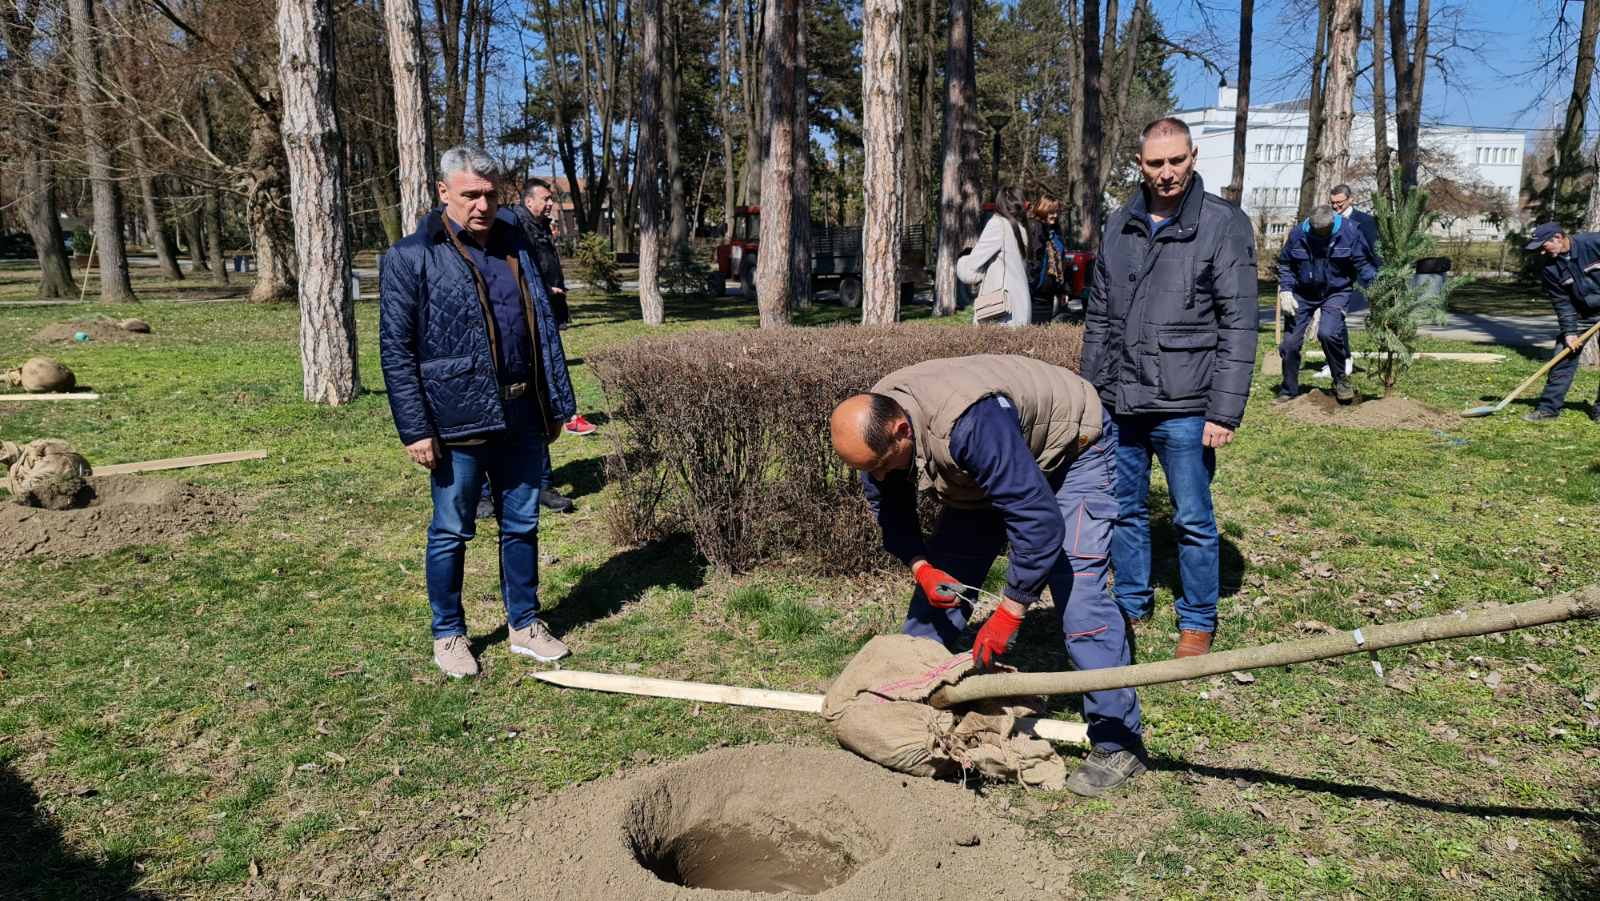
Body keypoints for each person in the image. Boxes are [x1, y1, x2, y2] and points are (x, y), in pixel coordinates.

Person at [830, 354, 1145, 797]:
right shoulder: (877, 434)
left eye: (881, 464)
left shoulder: (970, 424)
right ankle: (915, 702)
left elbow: (1037, 522)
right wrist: (923, 569)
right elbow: (891, 510)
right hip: (982, 466)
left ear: (901, 431)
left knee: (1080, 599)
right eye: (869, 469)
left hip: (1072, 449)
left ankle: (1119, 740)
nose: (878, 475)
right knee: (940, 591)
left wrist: (1010, 612)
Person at [379, 146, 578, 678]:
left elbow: (542, 331)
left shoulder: (517, 248)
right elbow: (396, 350)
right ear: (443, 192)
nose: (483, 205)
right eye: (470, 195)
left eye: (490, 194)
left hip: (522, 412)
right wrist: (415, 428)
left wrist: (553, 403)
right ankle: (448, 633)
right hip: (455, 421)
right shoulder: (411, 256)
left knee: (523, 523)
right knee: (451, 530)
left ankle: (525, 624)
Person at [1080, 116, 1257, 658]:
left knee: (1193, 518)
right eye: (1156, 163)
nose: (1167, 172)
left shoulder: (1223, 223)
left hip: (1186, 403)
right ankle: (1130, 603)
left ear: (1193, 157)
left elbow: (1239, 322)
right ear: (1140, 164)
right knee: (1124, 509)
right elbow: (1099, 316)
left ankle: (1198, 620)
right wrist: (1090, 394)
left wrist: (1223, 411)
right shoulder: (1120, 223)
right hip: (1121, 401)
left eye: (1176, 160)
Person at [1275, 204, 1380, 404]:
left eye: (1325, 232)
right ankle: (1288, 389)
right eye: (1316, 232)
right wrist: (1286, 290)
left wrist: (1378, 287)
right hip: (1303, 292)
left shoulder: (1350, 231)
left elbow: (1363, 264)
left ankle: (1341, 380)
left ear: (1332, 224)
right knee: (1289, 344)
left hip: (1336, 291)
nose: (1320, 236)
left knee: (1328, 333)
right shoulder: (1299, 234)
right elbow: (1286, 264)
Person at [1521, 221, 1600, 423]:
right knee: (1563, 356)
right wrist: (1570, 332)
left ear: (1558, 237)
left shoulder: (1593, 243)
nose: (1541, 252)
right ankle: (1548, 409)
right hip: (1583, 313)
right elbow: (1562, 302)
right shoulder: (1550, 268)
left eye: (1543, 246)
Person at [1319, 184, 1382, 379]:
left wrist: (1380, 276)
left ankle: (1343, 361)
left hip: (1358, 278)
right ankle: (1340, 360)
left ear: (1350, 199)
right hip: (1334, 277)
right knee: (1334, 317)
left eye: (1340, 202)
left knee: (1338, 317)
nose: (1336, 206)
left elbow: (1375, 250)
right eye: (1333, 203)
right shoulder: (1328, 220)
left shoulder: (1365, 221)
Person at [958, 185, 1032, 326]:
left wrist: (962, 258)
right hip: (1022, 307)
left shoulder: (998, 225)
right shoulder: (1022, 229)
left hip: (1001, 311)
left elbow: (969, 272)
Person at [1028, 196, 1072, 319]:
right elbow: (1031, 260)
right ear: (1043, 210)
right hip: (1033, 293)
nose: (1055, 216)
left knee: (1044, 327)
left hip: (1048, 295)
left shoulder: (1056, 232)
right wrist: (1030, 285)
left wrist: (1063, 290)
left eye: (1057, 212)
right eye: (1051, 212)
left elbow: (1062, 262)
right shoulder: (1033, 227)